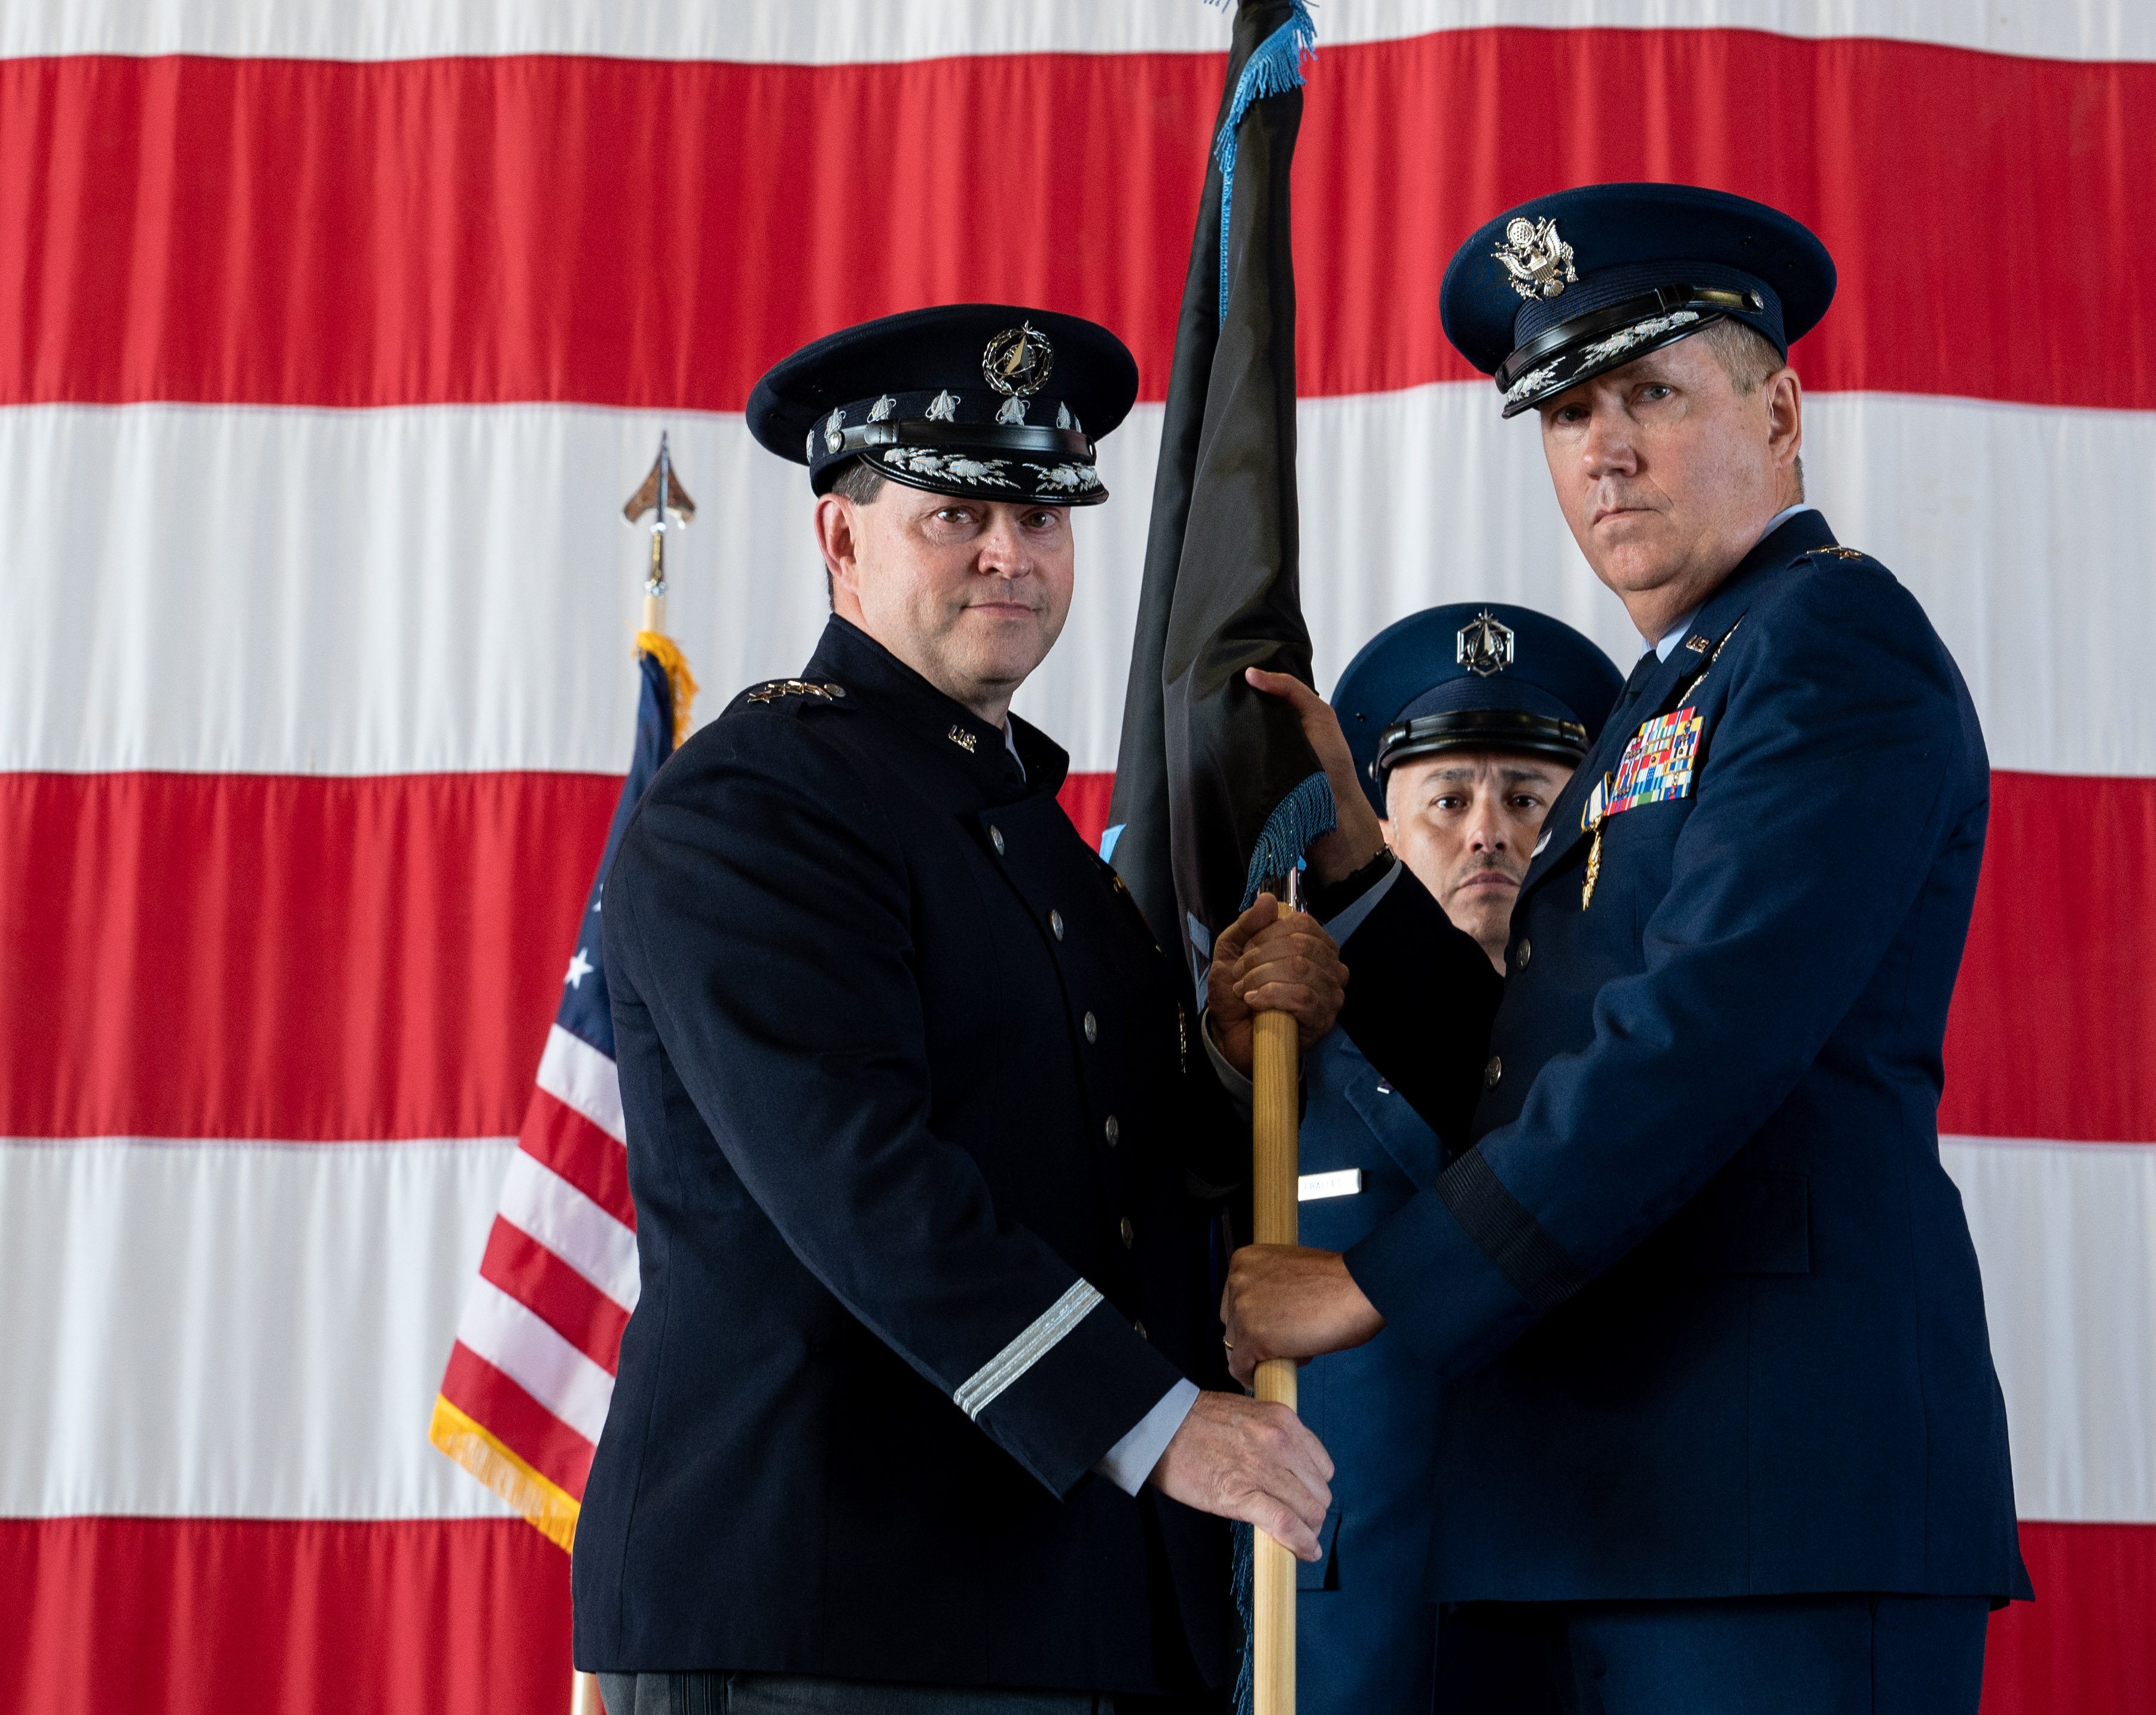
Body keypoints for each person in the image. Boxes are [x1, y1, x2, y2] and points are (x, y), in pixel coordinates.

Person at [1221, 186, 2030, 1713]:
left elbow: (1692, 1043)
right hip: (1597, 1503)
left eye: (1651, 392)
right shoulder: (1673, 690)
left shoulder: (1829, 651)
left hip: (1772, 1508)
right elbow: (1549, 1052)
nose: (1603, 449)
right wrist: (1357, 873)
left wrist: (1371, 1286)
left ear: (1781, 410)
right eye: (1566, 412)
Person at [572, 304, 1347, 1714]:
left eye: (1044, 518)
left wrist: (1231, 1066)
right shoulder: (755, 803)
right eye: (957, 513)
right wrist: (1163, 1426)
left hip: (1047, 1609)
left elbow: (1101, 1179)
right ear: (841, 539)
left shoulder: (1030, 834)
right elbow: (863, 1183)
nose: (1012, 554)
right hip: (827, 1614)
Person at [1291, 606, 1618, 1714]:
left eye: (1528, 800)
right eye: (1446, 800)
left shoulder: (1641, 1048)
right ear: (1379, 829)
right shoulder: (1272, 1044)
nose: (1486, 831)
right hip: (1336, 1612)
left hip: (1580, 1594)